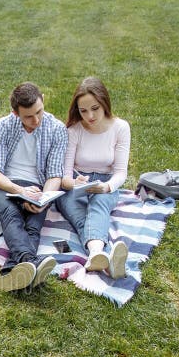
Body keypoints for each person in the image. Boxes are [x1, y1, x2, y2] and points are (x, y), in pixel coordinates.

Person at [0, 82, 68, 291]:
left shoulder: (57, 129)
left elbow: (54, 174)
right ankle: (31, 262)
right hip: (5, 185)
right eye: (28, 116)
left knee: (33, 225)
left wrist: (44, 198)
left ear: (43, 99)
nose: (36, 120)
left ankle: (12, 271)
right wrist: (20, 191)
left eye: (39, 112)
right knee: (11, 215)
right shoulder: (1, 126)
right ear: (15, 113)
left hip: (38, 188)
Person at [56, 77, 131, 279]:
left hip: (106, 182)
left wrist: (107, 187)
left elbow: (121, 172)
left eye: (95, 108)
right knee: (75, 211)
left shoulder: (121, 127)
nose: (89, 115)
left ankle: (97, 254)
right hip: (77, 182)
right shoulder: (73, 131)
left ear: (105, 103)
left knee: (98, 206)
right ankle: (100, 254)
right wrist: (74, 183)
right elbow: (65, 176)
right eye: (83, 111)